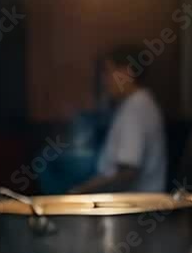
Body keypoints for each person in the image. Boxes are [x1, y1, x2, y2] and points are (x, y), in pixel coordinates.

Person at [71, 46, 168, 193]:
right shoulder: (137, 103)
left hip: (135, 208)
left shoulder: (136, 108)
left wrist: (80, 191)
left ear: (128, 73)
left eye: (109, 72)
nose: (105, 80)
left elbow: (127, 172)